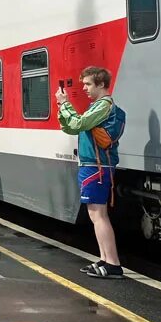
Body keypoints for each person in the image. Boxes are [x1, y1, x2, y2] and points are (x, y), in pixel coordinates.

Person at [56, 66, 127, 280]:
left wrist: (64, 104)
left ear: (101, 84)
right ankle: (105, 259)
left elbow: (78, 124)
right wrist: (64, 110)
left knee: (99, 215)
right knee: (95, 214)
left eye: (88, 84)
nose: (84, 88)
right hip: (94, 166)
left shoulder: (103, 106)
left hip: (97, 167)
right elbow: (71, 127)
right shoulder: (97, 106)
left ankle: (113, 264)